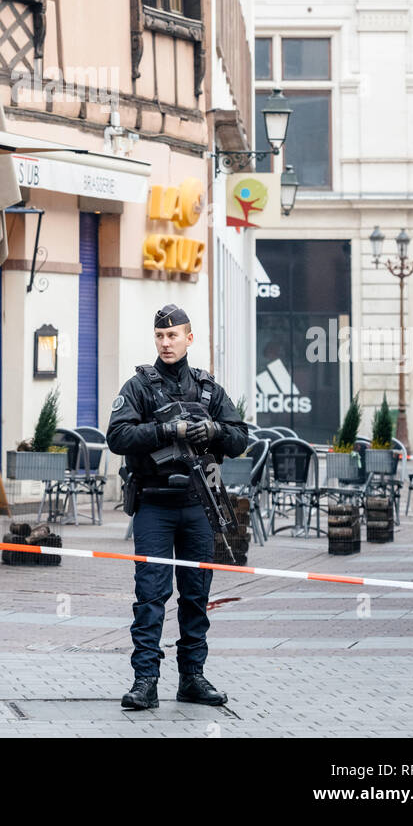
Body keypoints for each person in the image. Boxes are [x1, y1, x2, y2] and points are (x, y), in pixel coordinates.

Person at [106, 303, 248, 711]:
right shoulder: (140, 387)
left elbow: (240, 440)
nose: (166, 343)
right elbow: (117, 436)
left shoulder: (208, 389)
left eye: (173, 336)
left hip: (198, 506)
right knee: (151, 594)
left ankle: (192, 678)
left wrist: (216, 428)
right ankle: (145, 681)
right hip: (154, 505)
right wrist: (166, 429)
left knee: (195, 596)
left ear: (190, 338)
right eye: (160, 336)